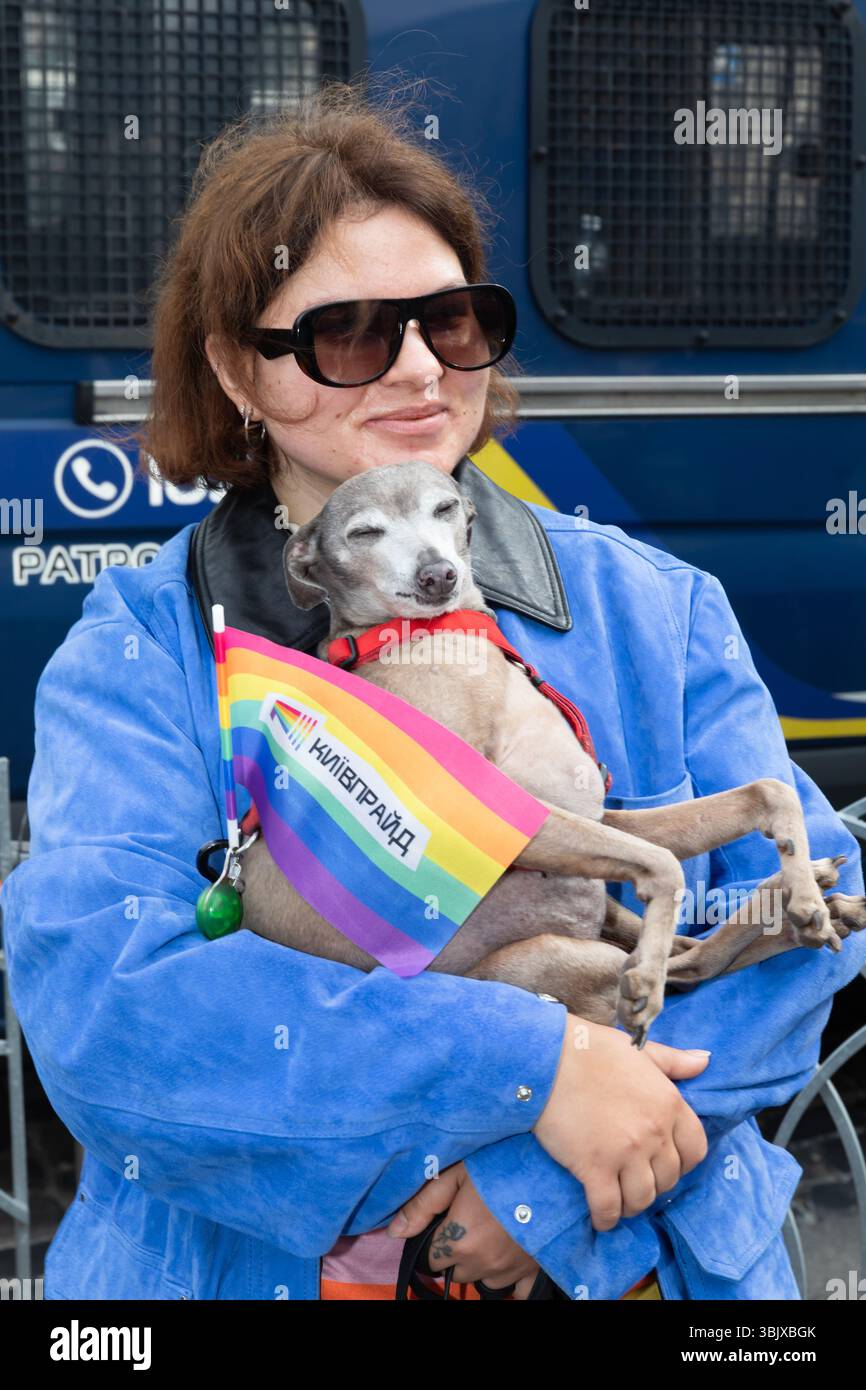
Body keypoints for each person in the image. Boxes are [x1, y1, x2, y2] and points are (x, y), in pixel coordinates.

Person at [2, 79, 864, 1303]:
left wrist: (540, 1195)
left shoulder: (648, 607)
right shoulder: (141, 650)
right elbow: (106, 1006)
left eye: (451, 322)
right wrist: (533, 1069)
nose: (416, 370)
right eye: (350, 332)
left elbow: (805, 930)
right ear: (237, 374)